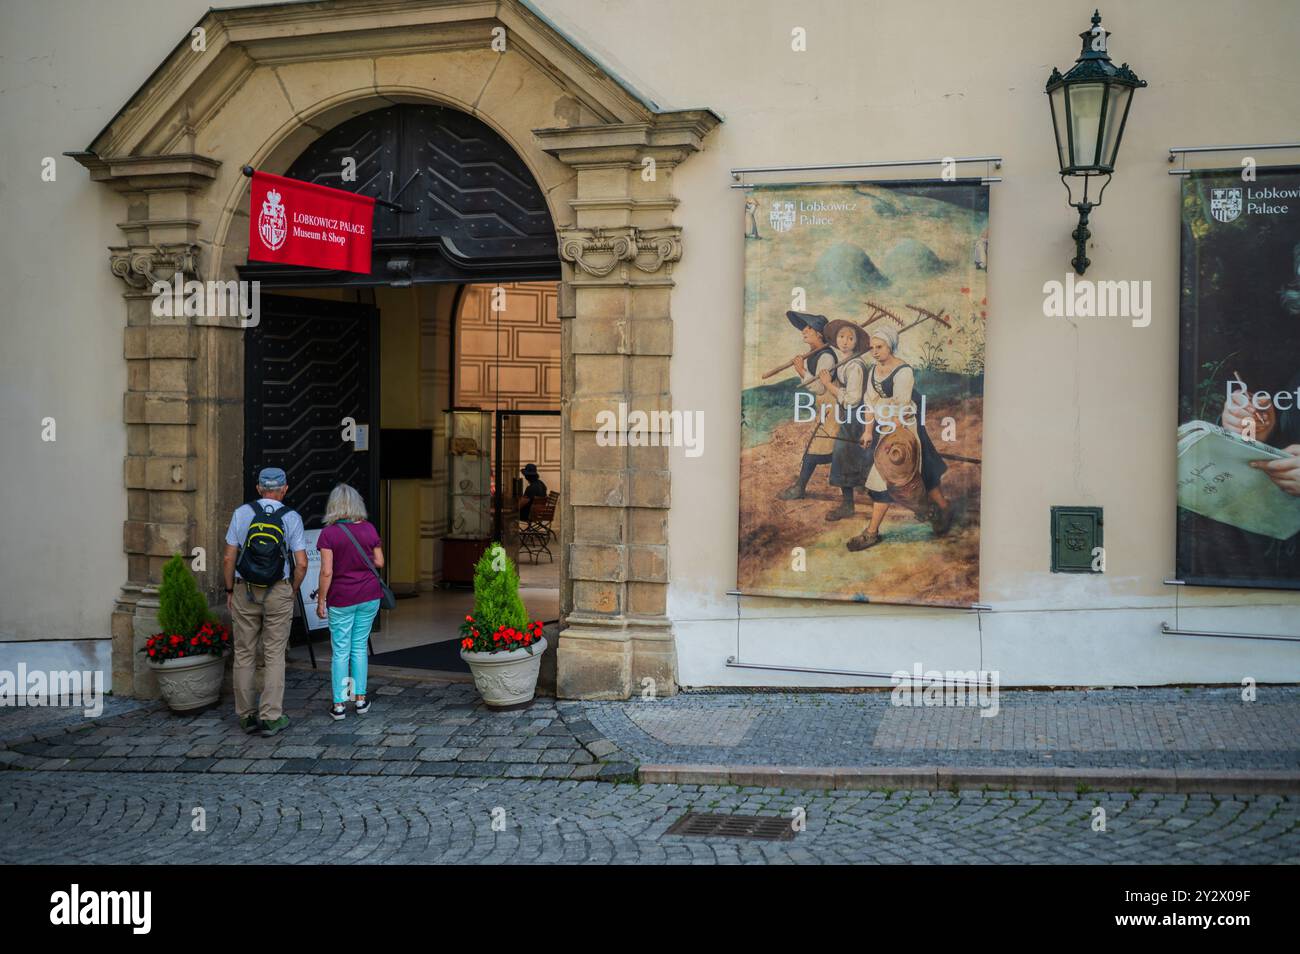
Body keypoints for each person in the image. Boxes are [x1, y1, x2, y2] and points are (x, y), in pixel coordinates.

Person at [847, 327, 952, 551]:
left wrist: (891, 436)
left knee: (925, 475)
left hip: (905, 431)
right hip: (886, 430)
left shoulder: (903, 372)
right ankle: (873, 532)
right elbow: (870, 403)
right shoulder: (874, 371)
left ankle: (942, 510)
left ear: (890, 347)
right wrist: (868, 431)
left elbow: (901, 407)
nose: (874, 352)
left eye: (879, 347)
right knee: (885, 478)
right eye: (872, 347)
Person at [222, 467, 307, 737]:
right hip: (278, 590)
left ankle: (246, 716)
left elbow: (228, 557)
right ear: (285, 489)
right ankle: (271, 717)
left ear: (259, 488)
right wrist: (292, 590)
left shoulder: (242, 513)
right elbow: (302, 563)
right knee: (274, 654)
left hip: (243, 589)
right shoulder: (291, 517)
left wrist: (228, 590)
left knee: (244, 653)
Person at [314, 484, 385, 721]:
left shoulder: (329, 534)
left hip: (342, 597)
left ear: (333, 506)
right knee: (359, 647)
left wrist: (321, 600)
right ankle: (361, 700)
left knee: (341, 650)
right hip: (369, 595)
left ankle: (339, 704)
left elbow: (326, 571)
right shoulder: (369, 529)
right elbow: (380, 562)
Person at [777, 311, 839, 500]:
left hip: (835, 408)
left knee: (819, 448)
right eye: (804, 327)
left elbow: (820, 388)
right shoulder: (816, 354)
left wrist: (801, 369)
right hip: (826, 407)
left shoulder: (826, 357)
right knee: (827, 448)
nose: (804, 331)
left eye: (809, 328)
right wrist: (802, 368)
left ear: (819, 333)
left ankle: (800, 488)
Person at [815, 319, 871, 521]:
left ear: (856, 342)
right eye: (841, 337)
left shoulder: (855, 365)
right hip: (852, 413)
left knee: (842, 454)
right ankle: (860, 496)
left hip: (858, 414)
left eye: (850, 338)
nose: (845, 341)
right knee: (852, 455)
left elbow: (853, 398)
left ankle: (848, 506)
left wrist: (828, 385)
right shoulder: (844, 362)